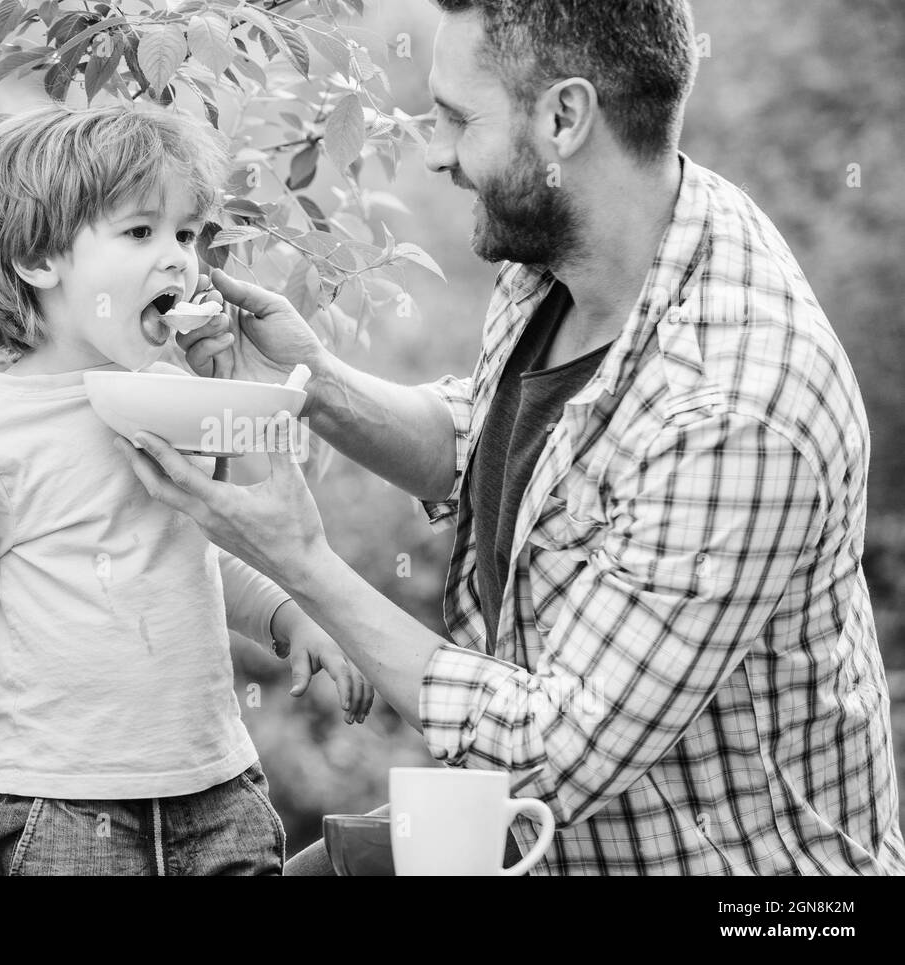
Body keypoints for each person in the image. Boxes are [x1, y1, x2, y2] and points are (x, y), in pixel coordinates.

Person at [119, 0, 905, 874]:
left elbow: (551, 752)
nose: (435, 151)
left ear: (564, 118)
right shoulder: (579, 253)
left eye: (458, 118)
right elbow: (494, 441)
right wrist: (316, 390)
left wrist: (300, 558)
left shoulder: (739, 406)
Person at [0, 103, 373, 877]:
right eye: (140, 232)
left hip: (219, 789)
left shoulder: (172, 398)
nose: (178, 260)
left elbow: (200, 546)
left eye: (187, 234)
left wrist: (288, 614)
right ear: (39, 258)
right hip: (63, 807)